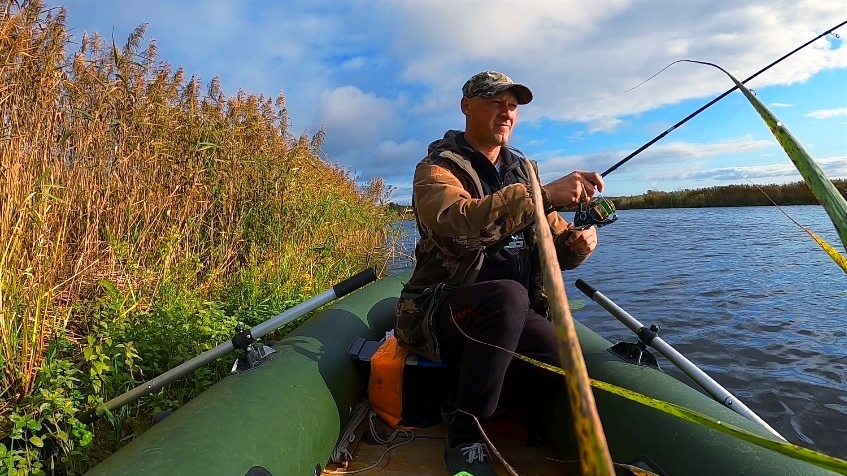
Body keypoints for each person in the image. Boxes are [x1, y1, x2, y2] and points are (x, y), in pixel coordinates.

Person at [393, 70, 604, 476]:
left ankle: (468, 396)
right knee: (506, 294)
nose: (506, 112)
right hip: (445, 314)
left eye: (512, 106)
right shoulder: (435, 170)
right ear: (466, 106)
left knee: (556, 352)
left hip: (512, 315)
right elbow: (455, 223)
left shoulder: (523, 171)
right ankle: (466, 434)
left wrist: (575, 246)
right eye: (495, 102)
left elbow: (554, 243)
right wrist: (542, 196)